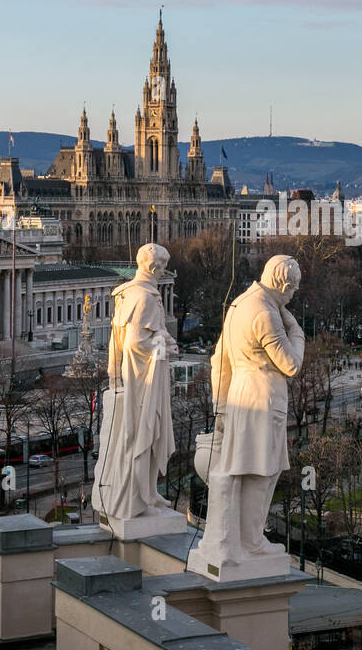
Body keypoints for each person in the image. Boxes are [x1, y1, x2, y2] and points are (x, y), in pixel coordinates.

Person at [194, 255, 304, 568]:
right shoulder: (266, 312)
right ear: (282, 284)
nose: (293, 295)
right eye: (293, 289)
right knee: (263, 469)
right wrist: (297, 330)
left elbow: (220, 361)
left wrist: (222, 407)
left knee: (247, 467)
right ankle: (251, 541)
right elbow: (291, 364)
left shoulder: (240, 304)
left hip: (241, 396)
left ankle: (244, 538)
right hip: (263, 398)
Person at [91, 243, 176, 521]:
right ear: (153, 268)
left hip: (131, 377)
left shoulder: (128, 292)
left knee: (147, 435)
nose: (164, 273)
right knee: (148, 433)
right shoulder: (145, 297)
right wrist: (164, 344)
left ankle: (148, 491)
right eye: (162, 268)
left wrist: (161, 338)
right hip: (143, 381)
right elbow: (135, 343)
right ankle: (141, 495)